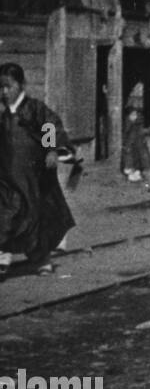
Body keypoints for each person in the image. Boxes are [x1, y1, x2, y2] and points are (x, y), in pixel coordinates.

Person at [0, 62, 77, 278]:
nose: (5, 92)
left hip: (31, 175)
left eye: (9, 86)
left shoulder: (33, 108)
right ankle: (3, 257)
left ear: (21, 85)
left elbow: (50, 125)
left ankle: (42, 259)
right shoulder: (2, 111)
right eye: (1, 88)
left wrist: (51, 150)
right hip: (6, 174)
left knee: (34, 216)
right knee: (6, 214)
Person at [120, 104, 150, 189]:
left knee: (138, 158)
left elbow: (140, 133)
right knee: (130, 159)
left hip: (138, 144)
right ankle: (131, 174)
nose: (134, 116)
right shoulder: (128, 123)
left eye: (135, 114)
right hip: (130, 144)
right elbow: (125, 134)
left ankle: (137, 173)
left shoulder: (138, 123)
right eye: (132, 115)